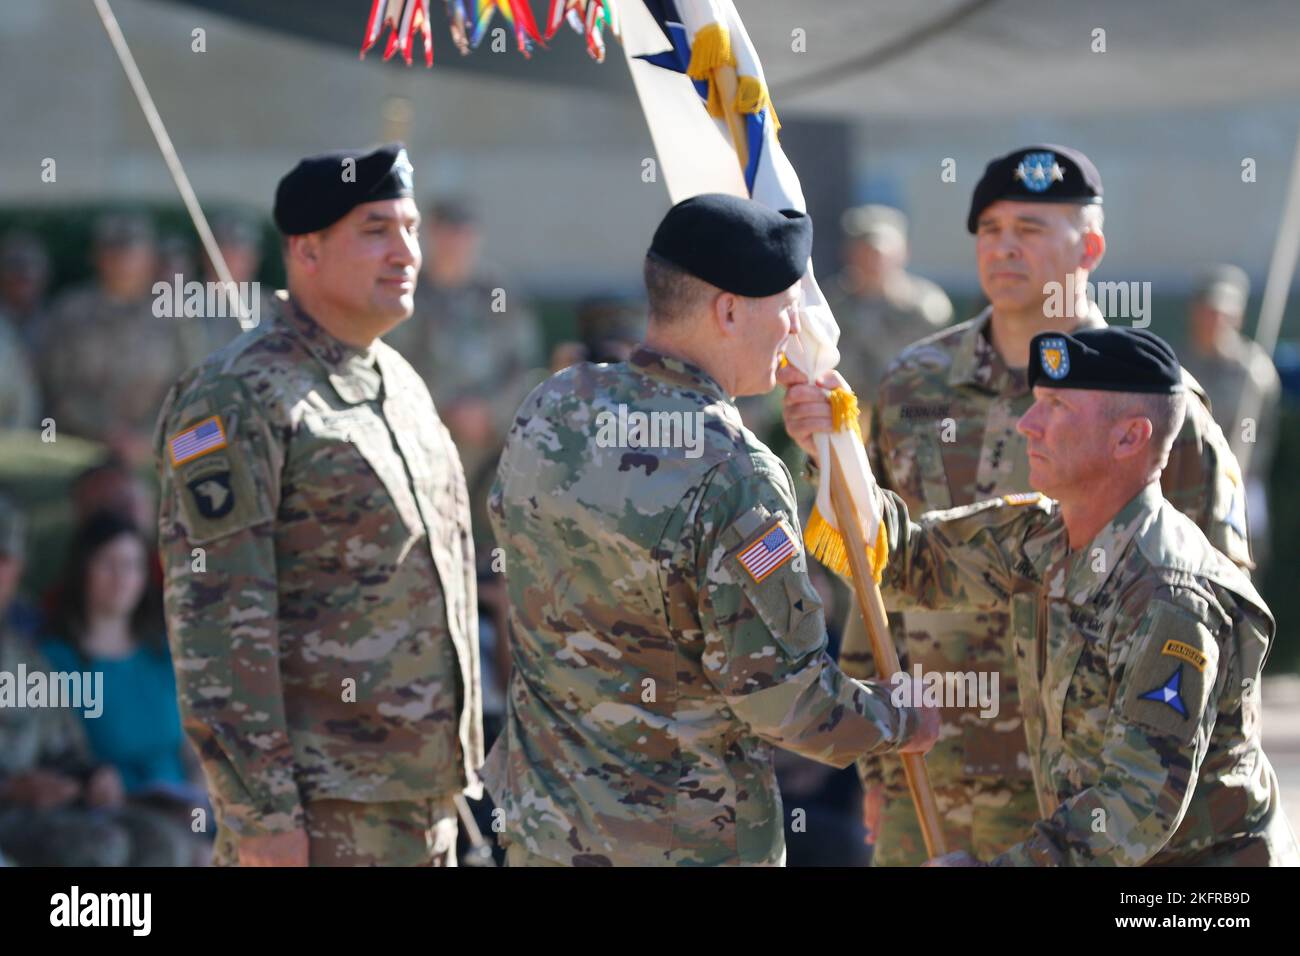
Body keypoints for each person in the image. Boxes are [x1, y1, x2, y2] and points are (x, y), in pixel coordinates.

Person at [810, 145, 1254, 867]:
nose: (1005, 247)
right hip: (934, 763)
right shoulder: (913, 384)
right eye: (990, 229)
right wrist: (876, 750)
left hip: (1094, 786)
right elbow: (883, 571)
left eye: (1031, 228)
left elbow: (1212, 621)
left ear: (1091, 248)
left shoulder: (1149, 405)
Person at [484, 194, 938, 867]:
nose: (796, 329)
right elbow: (786, 701)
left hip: (544, 830)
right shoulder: (735, 469)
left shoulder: (553, 404)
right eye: (788, 307)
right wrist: (900, 717)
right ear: (728, 311)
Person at [784, 327, 1299, 865]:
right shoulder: (1045, 536)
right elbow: (905, 563)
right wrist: (832, 446)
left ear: (1129, 438)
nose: (1027, 424)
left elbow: (1135, 807)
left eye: (1056, 407)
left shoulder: (1170, 598)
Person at [154, 143, 483, 867]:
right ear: (305, 250)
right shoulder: (237, 395)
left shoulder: (400, 382)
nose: (406, 253)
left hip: (420, 802)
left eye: (411, 229)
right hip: (318, 815)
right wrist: (262, 818)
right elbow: (215, 621)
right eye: (376, 230)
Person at [0, 496, 180, 866]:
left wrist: (89, 777)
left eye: (4, 560)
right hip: (12, 813)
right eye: (108, 564)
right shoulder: (56, 653)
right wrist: (10, 789)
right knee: (100, 846)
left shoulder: (22, 658)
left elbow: (63, 746)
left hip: (49, 811)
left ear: (17, 569)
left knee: (162, 843)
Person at [41, 511, 200, 865]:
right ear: (82, 569)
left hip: (187, 811)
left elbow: (194, 750)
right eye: (108, 564)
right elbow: (56, 757)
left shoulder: (164, 654)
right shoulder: (53, 661)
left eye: (131, 565)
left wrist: (201, 808)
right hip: (108, 819)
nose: (121, 578)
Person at [38, 213, 207, 465]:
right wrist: (107, 431)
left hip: (158, 453)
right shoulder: (70, 313)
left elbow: (194, 390)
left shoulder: (178, 317)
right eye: (113, 253)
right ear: (96, 256)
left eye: (133, 253)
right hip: (81, 450)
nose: (123, 262)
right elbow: (55, 389)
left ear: (151, 259)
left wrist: (147, 438)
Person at [1182, 264, 1281, 563]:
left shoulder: (1253, 372)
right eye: (1208, 313)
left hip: (1240, 483)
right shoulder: (1178, 365)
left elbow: (1258, 430)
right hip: (1185, 482)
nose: (1215, 322)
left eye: (1223, 314)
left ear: (1238, 317)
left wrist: (1237, 463)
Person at [828, 204, 952, 415]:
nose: (874, 260)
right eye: (865, 250)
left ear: (904, 252)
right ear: (850, 253)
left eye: (882, 252)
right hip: (844, 415)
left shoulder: (926, 307)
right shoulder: (831, 305)